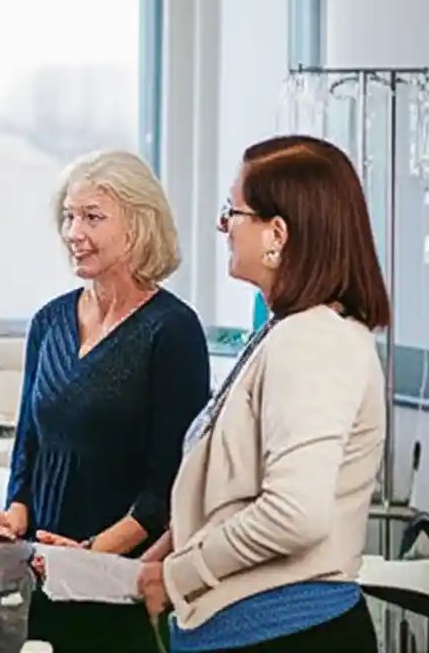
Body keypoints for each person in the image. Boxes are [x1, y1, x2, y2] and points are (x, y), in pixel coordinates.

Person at [136, 135, 388, 652]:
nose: (222, 226)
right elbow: (232, 492)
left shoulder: (313, 339)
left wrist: (184, 572)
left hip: (285, 632)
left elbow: (295, 514)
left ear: (277, 233)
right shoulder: (286, 329)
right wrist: (163, 554)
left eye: (233, 211)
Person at [0, 150, 210, 651]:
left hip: (127, 583)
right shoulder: (49, 322)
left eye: (92, 217)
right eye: (69, 217)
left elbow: (171, 483)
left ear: (139, 225)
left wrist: (91, 558)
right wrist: (14, 517)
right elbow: (29, 448)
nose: (74, 231)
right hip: (51, 580)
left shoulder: (173, 331)